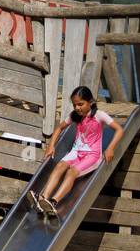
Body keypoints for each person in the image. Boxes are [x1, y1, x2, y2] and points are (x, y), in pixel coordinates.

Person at [32, 86, 123, 218]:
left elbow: (119, 129)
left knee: (71, 172)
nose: (77, 108)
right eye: (75, 105)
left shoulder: (99, 115)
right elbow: (59, 128)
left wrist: (110, 148)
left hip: (92, 156)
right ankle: (42, 199)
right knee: (60, 166)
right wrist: (51, 145)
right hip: (76, 152)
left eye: (81, 104)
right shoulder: (75, 116)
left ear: (90, 102)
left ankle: (53, 202)